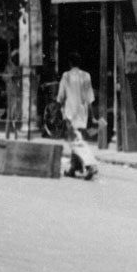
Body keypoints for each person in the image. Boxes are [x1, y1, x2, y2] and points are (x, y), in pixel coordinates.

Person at [57, 51, 98, 180]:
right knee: (76, 140)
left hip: (70, 113)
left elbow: (61, 97)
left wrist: (60, 111)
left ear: (69, 63)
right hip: (82, 113)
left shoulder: (66, 76)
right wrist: (92, 116)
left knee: (76, 141)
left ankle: (90, 164)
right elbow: (90, 98)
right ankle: (73, 168)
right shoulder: (86, 76)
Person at [3, 49, 22, 134]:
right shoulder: (9, 66)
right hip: (11, 91)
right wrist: (11, 76)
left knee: (17, 111)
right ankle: (7, 131)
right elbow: (4, 77)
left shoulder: (19, 66)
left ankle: (15, 130)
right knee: (10, 111)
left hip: (18, 91)